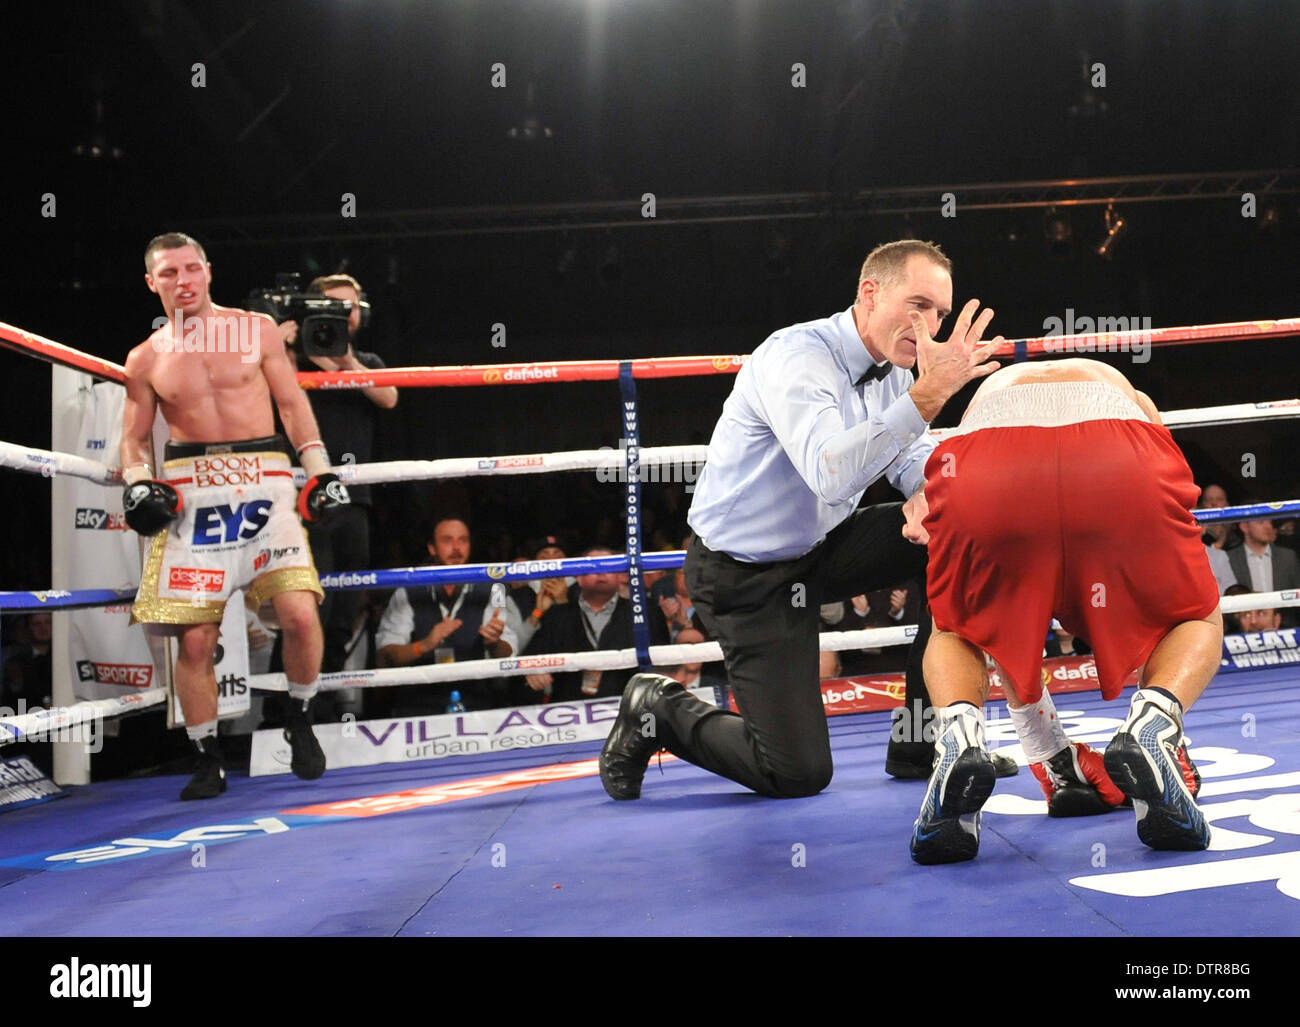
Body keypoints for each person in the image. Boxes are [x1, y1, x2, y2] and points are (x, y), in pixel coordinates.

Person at [598, 239, 1002, 802]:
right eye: (919, 305)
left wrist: (928, 494)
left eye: (939, 313)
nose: (930, 325)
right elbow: (831, 472)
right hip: (746, 577)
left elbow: (907, 453)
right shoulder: (797, 358)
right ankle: (660, 709)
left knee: (958, 530)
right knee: (796, 774)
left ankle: (925, 739)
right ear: (870, 292)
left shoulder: (891, 366)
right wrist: (931, 394)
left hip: (822, 548)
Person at [909, 356, 1222, 863]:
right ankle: (1154, 726)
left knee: (961, 627)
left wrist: (1049, 755)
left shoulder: (993, 391)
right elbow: (1165, 480)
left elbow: (1009, 637)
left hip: (987, 465)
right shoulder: (1127, 394)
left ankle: (959, 738)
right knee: (1192, 614)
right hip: (1117, 456)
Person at [123, 232, 347, 800]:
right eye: (169, 273)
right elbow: (133, 439)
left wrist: (319, 470)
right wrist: (137, 485)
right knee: (195, 642)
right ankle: (207, 757)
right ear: (152, 282)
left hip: (264, 481)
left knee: (298, 612)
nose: (183, 281)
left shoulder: (256, 330)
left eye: (191, 268)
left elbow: (292, 403)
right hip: (191, 490)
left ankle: (298, 715)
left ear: (209, 271)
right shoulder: (145, 358)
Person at [279, 274, 398, 688]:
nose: (342, 314)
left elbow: (389, 397)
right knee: (306, 608)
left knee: (345, 609)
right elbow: (275, 396)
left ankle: (327, 703)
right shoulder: (287, 358)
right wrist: (282, 348)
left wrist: (346, 362)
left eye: (350, 306)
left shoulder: (368, 361)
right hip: (303, 498)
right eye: (332, 305)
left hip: (354, 499)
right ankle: (293, 708)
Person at [373, 516, 518, 712]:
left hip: (476, 703)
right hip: (419, 704)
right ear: (432, 548)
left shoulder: (493, 589)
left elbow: (508, 654)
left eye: (463, 540)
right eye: (447, 540)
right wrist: (423, 645)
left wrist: (494, 642)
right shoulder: (408, 591)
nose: (456, 547)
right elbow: (386, 655)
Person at [522, 546, 670, 702]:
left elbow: (665, 664)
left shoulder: (646, 612)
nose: (601, 572)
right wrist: (534, 671)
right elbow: (531, 657)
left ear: (620, 576)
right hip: (570, 715)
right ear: (579, 578)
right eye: (594, 566)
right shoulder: (556, 615)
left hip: (630, 711)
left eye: (609, 566)